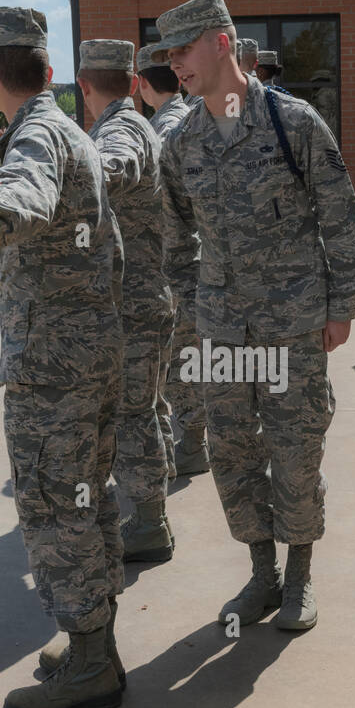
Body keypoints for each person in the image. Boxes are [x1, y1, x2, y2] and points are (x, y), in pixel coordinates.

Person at [154, 0, 355, 630]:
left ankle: (300, 572)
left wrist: (342, 305)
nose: (175, 64)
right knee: (231, 449)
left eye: (184, 49)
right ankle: (262, 572)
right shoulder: (183, 141)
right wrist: (198, 306)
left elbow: (342, 219)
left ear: (221, 42)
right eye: (169, 55)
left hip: (293, 324)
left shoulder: (292, 122)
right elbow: (173, 239)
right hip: (224, 330)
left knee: (295, 447)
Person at [0, 7, 126, 708]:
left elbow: (21, 196)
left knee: (56, 507)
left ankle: (92, 662)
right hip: (84, 352)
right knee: (86, 498)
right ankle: (94, 644)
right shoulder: (67, 129)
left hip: (56, 366)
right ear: (48, 70)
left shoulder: (37, 138)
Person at [79, 40, 177, 560]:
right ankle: (153, 504)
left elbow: (111, 169)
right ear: (134, 82)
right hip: (143, 298)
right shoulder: (131, 121)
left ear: (83, 85)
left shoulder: (119, 129)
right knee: (147, 408)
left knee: (132, 415)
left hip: (132, 305)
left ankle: (149, 523)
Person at [136, 44, 209, 477]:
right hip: (197, 257)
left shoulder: (162, 132)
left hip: (171, 262)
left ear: (143, 84)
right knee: (189, 357)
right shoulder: (194, 117)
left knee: (174, 363)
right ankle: (194, 441)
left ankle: (192, 445)